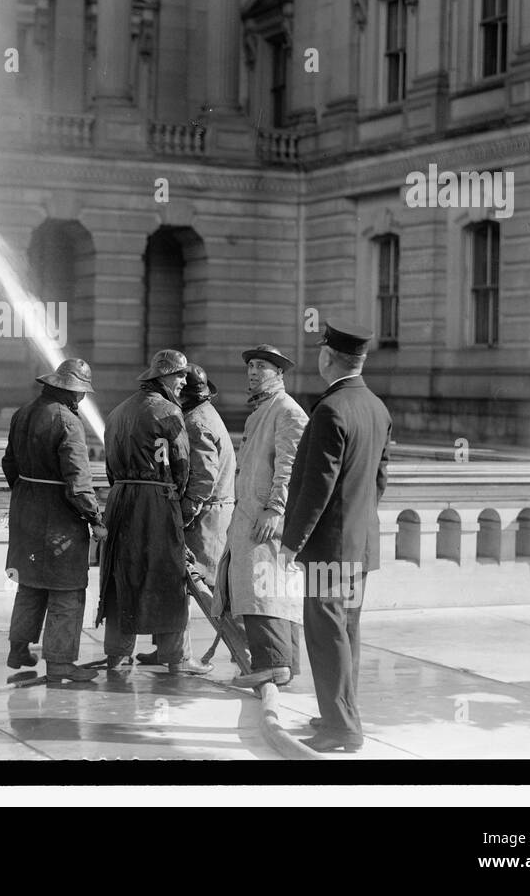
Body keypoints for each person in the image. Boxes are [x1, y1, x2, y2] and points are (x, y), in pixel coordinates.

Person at [281, 321, 392, 752]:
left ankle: (343, 727)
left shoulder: (331, 410)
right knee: (346, 633)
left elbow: (317, 486)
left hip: (329, 548)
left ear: (328, 357)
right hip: (360, 544)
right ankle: (338, 713)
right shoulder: (377, 407)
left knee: (327, 635)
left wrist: (292, 542)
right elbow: (379, 481)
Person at [95, 349, 207, 676]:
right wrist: (177, 501)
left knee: (119, 577)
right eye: (179, 375)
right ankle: (174, 656)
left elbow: (109, 469)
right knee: (167, 576)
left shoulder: (116, 413)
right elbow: (182, 463)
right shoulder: (169, 411)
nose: (184, 381)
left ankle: (117, 654)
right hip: (157, 500)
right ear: (163, 377)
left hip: (119, 501)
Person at [2, 358, 106, 684]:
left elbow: (9, 464)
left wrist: (28, 495)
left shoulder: (22, 414)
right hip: (60, 520)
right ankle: (60, 664)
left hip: (24, 511)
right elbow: (78, 482)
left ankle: (18, 648)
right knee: (67, 591)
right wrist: (95, 518)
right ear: (73, 393)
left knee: (30, 583)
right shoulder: (68, 422)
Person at [212, 344, 308, 689]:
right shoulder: (263, 412)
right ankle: (280, 663)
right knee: (262, 588)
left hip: (266, 518)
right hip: (252, 514)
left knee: (265, 589)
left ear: (279, 373)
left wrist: (275, 509)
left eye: (262, 367)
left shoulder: (286, 411)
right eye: (250, 366)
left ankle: (272, 664)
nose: (253, 372)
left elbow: (290, 466)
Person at [137, 363, 232, 670]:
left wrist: (185, 514)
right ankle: (169, 649)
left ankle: (228, 651)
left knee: (194, 586)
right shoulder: (203, 415)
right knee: (179, 584)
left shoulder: (195, 422)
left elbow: (204, 477)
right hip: (208, 513)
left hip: (204, 517)